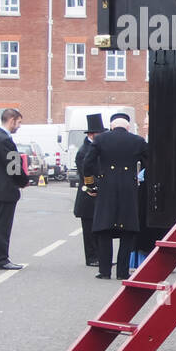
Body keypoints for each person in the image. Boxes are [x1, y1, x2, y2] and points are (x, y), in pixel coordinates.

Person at [84, 112, 148, 280]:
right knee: (127, 231)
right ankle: (122, 271)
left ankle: (104, 271)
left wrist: (91, 185)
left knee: (104, 229)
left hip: (106, 188)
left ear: (111, 126)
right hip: (129, 189)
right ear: (128, 127)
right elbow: (150, 163)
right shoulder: (138, 141)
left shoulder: (100, 139)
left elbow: (87, 163)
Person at [0, 108, 30, 270]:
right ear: (11, 120)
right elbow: (13, 166)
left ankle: (0, 257)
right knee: (3, 226)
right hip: (5, 189)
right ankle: (1, 259)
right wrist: (23, 181)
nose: (19, 126)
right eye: (18, 122)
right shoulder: (4, 140)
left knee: (1, 224)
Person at [72, 114, 105, 267]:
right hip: (88, 194)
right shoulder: (84, 151)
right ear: (92, 134)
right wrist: (97, 186)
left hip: (98, 195)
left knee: (97, 227)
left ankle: (99, 255)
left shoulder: (96, 148)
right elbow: (86, 174)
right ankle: (91, 257)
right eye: (100, 133)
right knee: (88, 229)